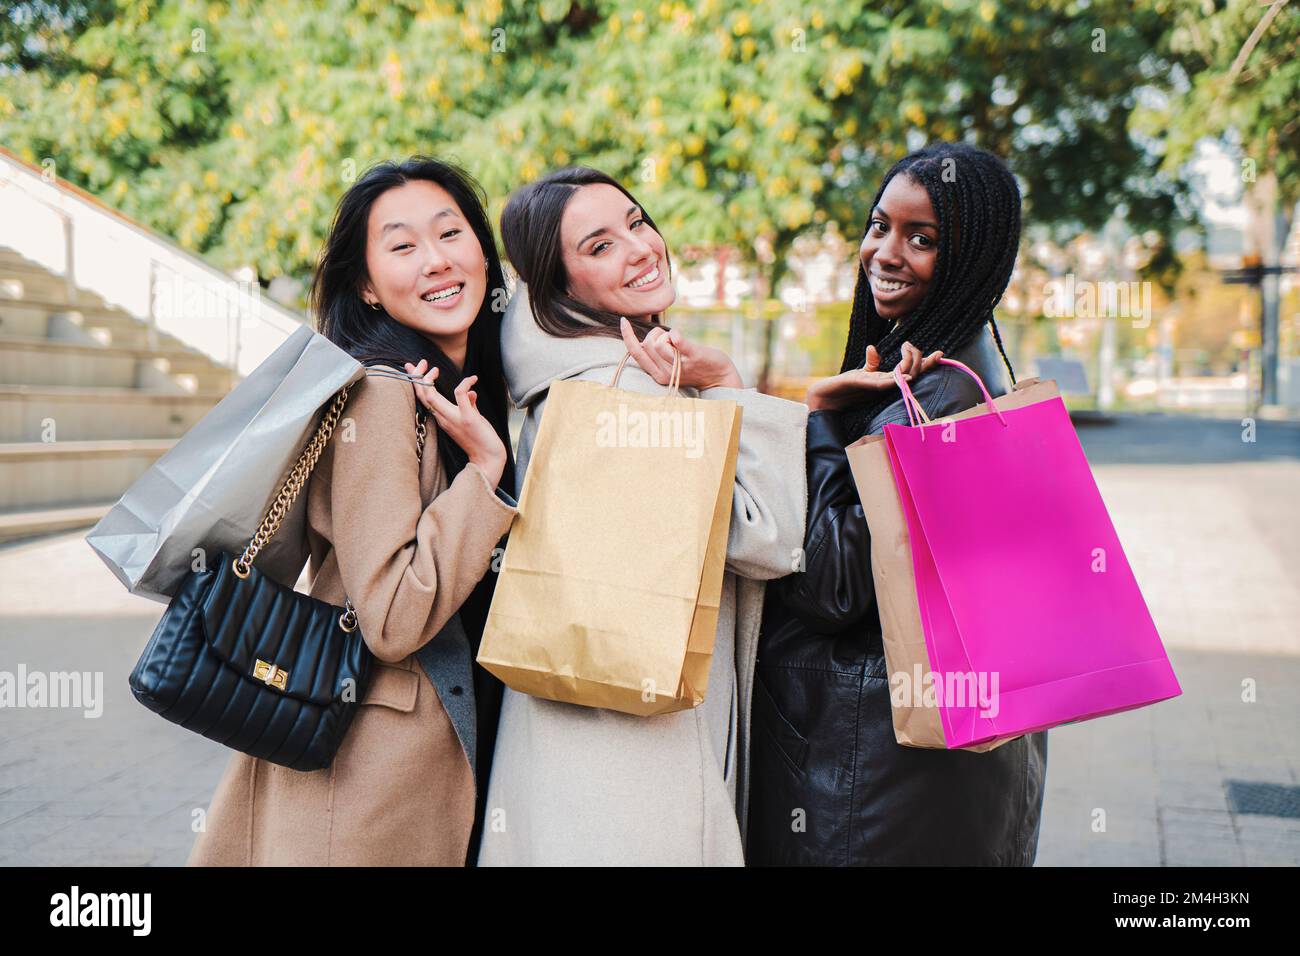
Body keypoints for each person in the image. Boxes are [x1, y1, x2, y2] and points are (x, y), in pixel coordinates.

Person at [188, 157, 517, 866]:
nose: (436, 260)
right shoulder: (382, 395)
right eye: (402, 247)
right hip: (373, 774)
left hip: (430, 761)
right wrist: (485, 476)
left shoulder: (474, 393)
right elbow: (393, 616)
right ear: (366, 285)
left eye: (451, 234)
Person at [477, 166, 808, 865]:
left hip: (568, 736)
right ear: (557, 281)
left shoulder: (557, 385)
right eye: (598, 246)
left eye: (636, 221)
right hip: (634, 757)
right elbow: (768, 539)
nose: (639, 247)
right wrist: (726, 386)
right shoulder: (620, 392)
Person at [747, 142, 1049, 866]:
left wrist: (818, 418)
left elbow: (832, 585)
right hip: (931, 782)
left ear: (974, 258)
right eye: (880, 225)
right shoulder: (969, 376)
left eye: (924, 240)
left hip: (871, 781)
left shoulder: (937, 395)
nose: (886, 252)